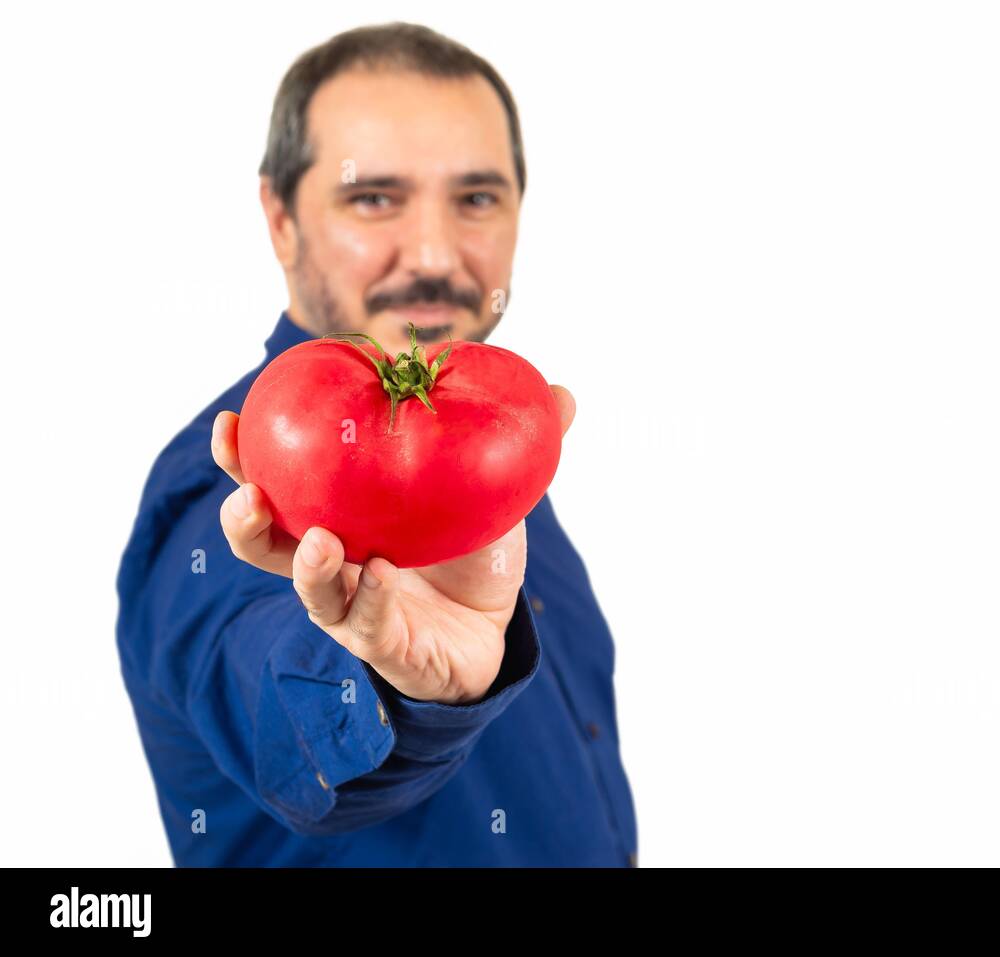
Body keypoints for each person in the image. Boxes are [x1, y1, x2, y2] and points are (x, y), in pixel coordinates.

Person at [115, 22, 637, 866]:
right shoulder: (232, 489)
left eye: (476, 198)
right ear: (281, 220)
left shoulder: (505, 470)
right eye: (373, 198)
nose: (433, 255)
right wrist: (398, 683)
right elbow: (276, 716)